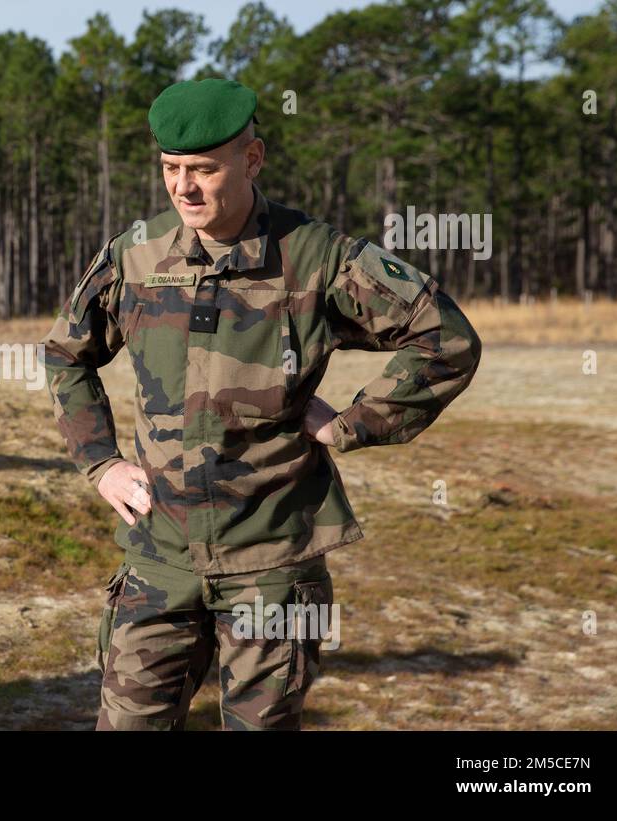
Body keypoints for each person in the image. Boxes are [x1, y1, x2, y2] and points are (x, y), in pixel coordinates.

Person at [41, 78, 482, 730]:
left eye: (202, 169)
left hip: (273, 561)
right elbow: (65, 354)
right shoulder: (134, 257)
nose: (183, 187)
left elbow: (446, 337)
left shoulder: (317, 256)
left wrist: (352, 424)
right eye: (170, 169)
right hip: (159, 552)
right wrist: (100, 462)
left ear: (252, 160)